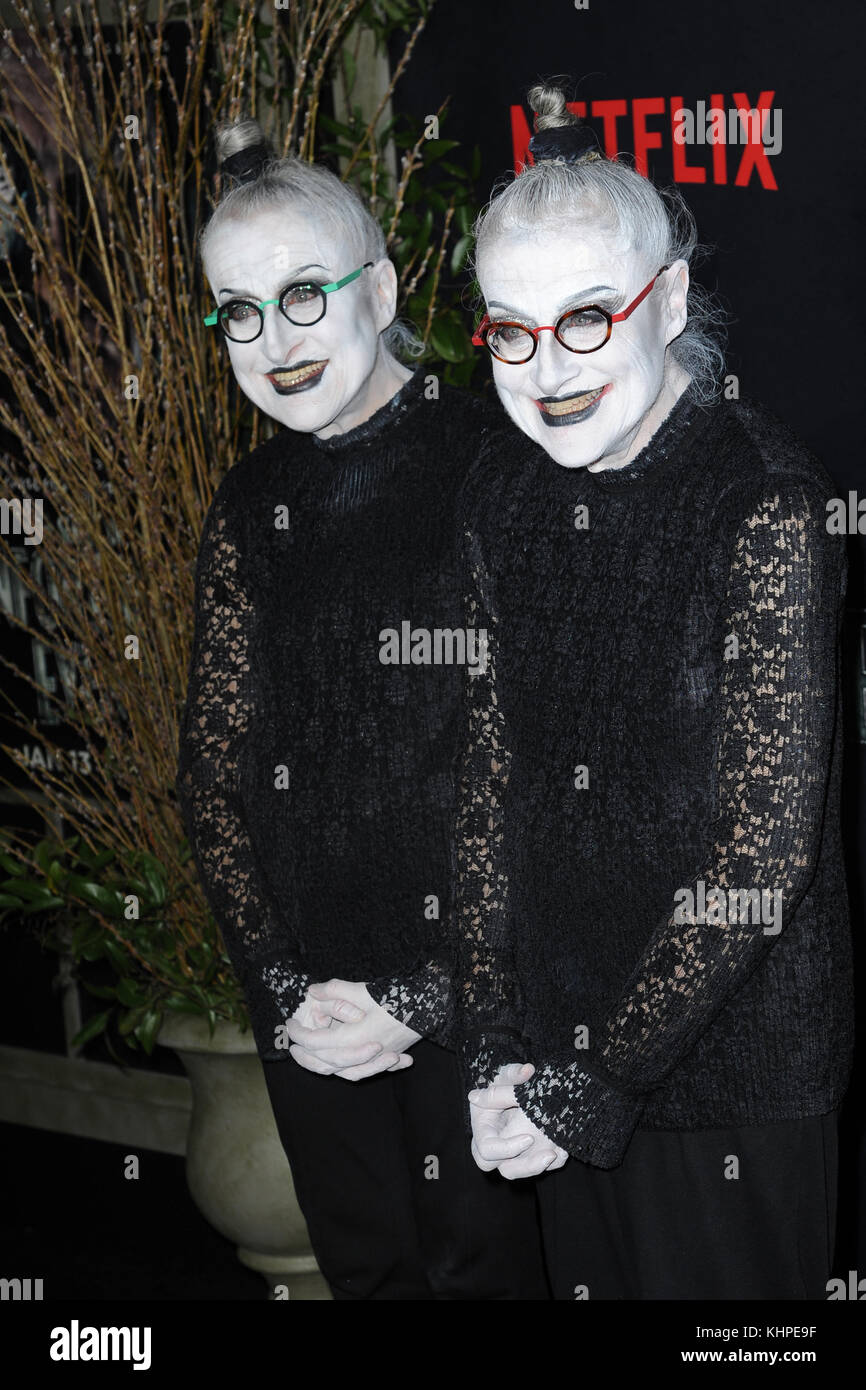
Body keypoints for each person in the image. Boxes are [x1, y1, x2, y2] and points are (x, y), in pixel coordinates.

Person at [454, 83, 854, 1300]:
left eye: (584, 319)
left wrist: (599, 1078)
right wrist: (493, 1044)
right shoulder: (501, 493)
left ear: (669, 300)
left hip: (730, 1070)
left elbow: (760, 851)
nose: (544, 368)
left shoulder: (760, 504)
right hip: (557, 1054)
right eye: (508, 329)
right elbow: (484, 771)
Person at [175, 118, 549, 1300]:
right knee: (368, 1277)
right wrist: (285, 991)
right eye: (237, 309)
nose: (271, 340)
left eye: (301, 294)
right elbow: (212, 771)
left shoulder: (493, 461)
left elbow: (541, 764)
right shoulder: (248, 499)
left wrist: (422, 997)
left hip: (482, 995)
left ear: (379, 286)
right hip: (312, 1008)